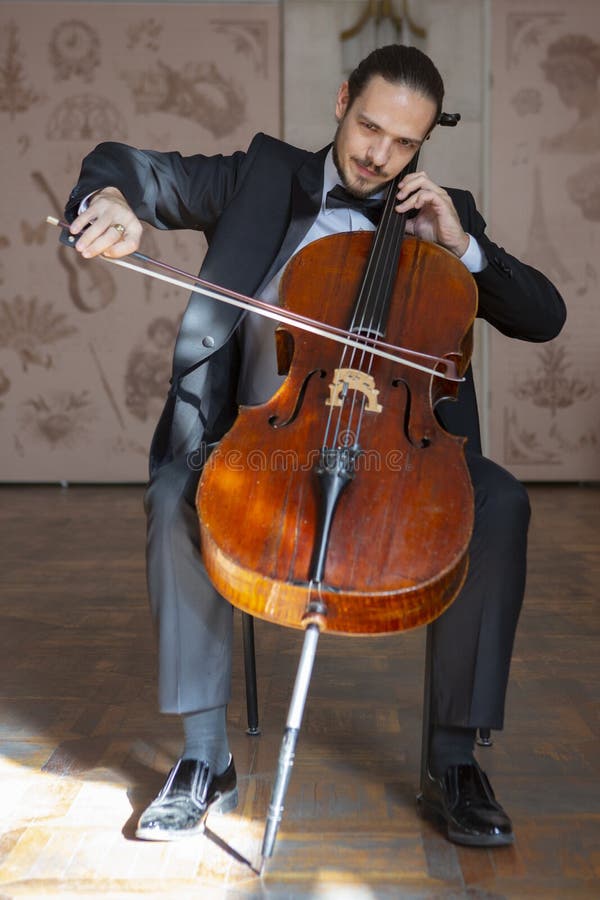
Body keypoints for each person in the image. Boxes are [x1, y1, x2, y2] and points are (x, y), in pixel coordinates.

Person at [65, 45, 566, 848]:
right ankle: (204, 761)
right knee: (173, 496)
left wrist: (461, 246)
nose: (379, 154)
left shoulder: (445, 213)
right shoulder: (261, 176)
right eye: (370, 127)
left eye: (405, 143)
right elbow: (131, 166)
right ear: (341, 101)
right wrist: (111, 199)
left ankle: (453, 760)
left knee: (500, 500)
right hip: (265, 440)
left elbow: (544, 315)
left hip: (401, 449)